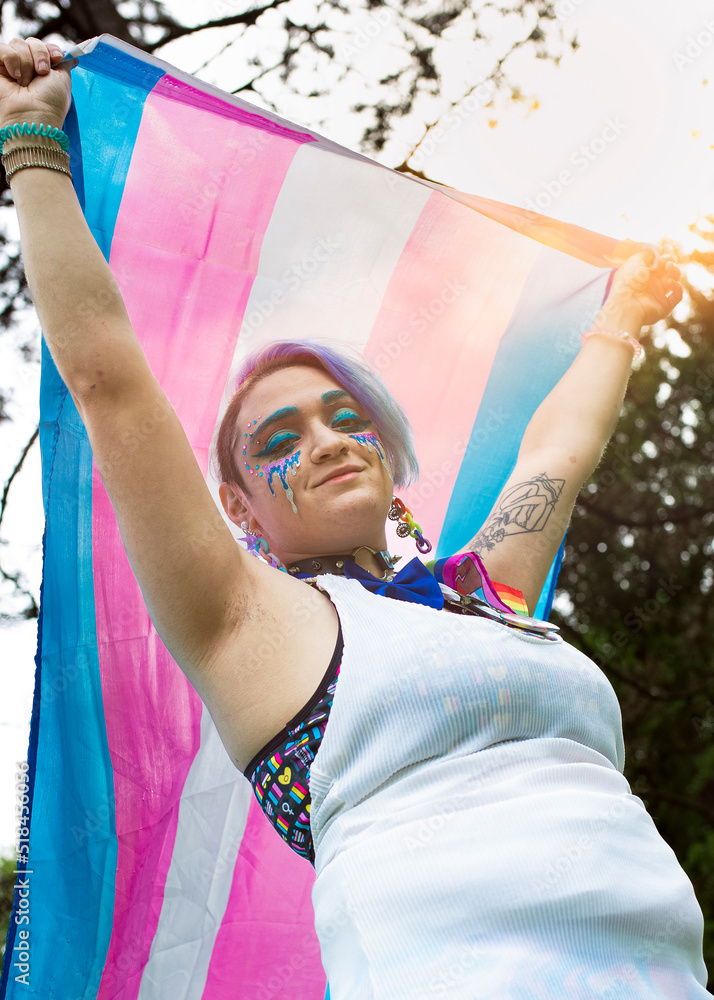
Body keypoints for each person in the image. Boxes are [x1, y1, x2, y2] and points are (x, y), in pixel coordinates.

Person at [0, 35, 708, 1000]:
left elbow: (557, 456)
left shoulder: (479, 595)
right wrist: (31, 145)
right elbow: (109, 382)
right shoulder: (244, 624)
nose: (330, 439)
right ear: (240, 507)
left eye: (348, 417)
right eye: (280, 438)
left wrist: (624, 314)